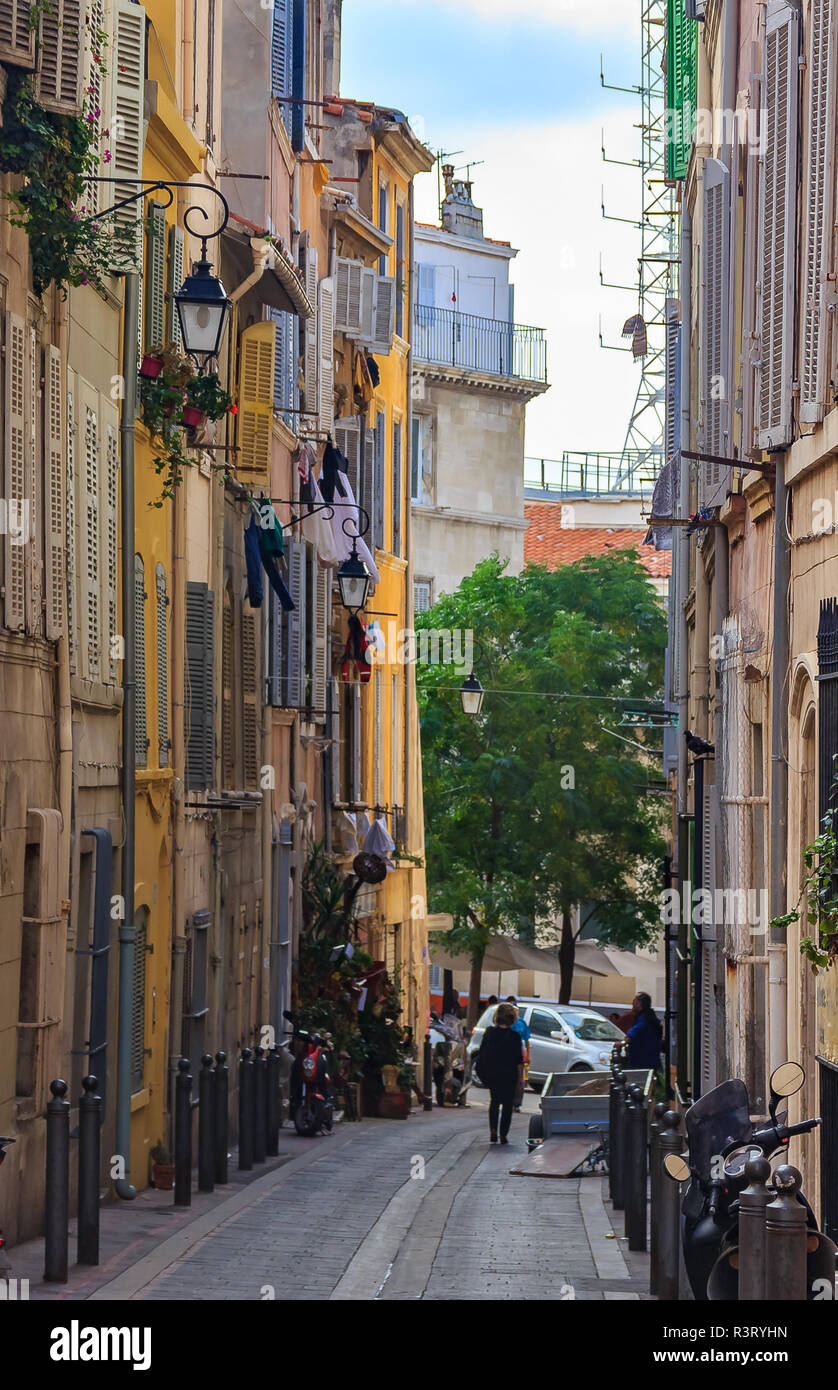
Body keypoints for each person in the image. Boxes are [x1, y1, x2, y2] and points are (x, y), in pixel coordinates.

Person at [476, 1002, 524, 1144]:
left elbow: (482, 1052)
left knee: (495, 1102)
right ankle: (503, 1134)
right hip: (509, 1075)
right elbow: (519, 1060)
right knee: (508, 1105)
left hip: (493, 1073)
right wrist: (521, 1079)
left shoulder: (489, 1032)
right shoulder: (515, 1036)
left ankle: (493, 1131)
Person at [625, 992, 663, 1070]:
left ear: (639, 1003)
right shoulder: (649, 1016)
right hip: (650, 1060)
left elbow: (636, 1031)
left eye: (634, 1000)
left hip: (644, 1061)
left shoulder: (644, 1018)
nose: (632, 1003)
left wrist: (624, 1041)